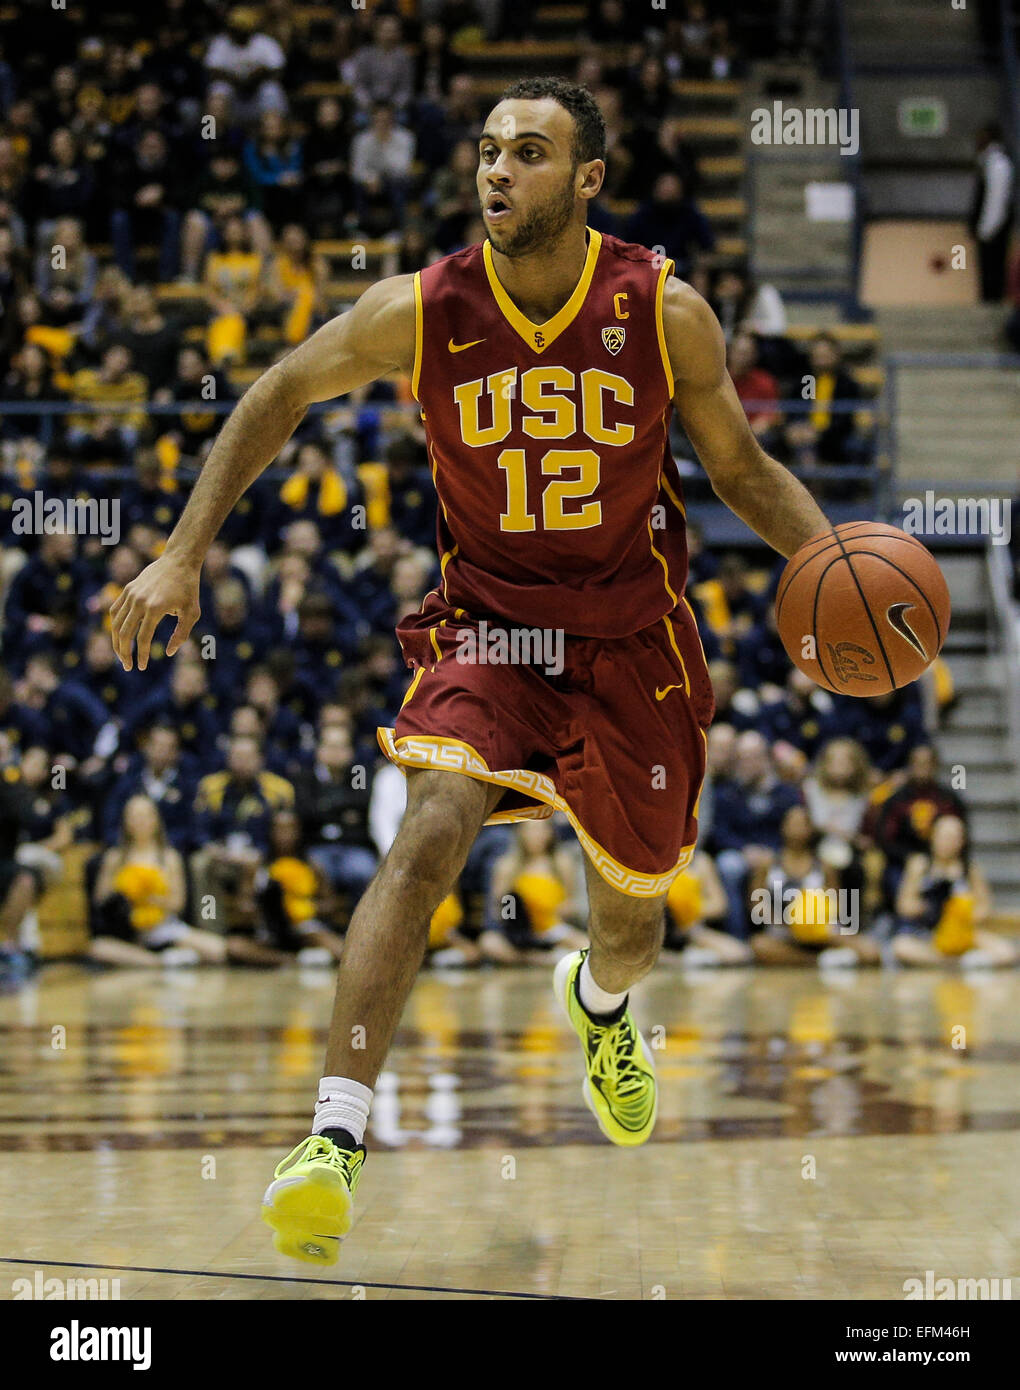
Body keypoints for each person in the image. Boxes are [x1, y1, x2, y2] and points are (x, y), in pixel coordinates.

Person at [111, 77, 833, 1266]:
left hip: (631, 642)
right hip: (490, 627)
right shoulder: (423, 305)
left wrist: (836, 563)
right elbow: (280, 388)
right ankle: (332, 1138)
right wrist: (182, 553)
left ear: (589, 179)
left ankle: (599, 1009)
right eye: (489, 150)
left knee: (632, 924)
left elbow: (743, 471)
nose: (499, 169)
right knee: (429, 826)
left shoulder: (664, 309)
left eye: (532, 152)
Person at [89, 794, 226, 967]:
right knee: (98, 948)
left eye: (145, 816)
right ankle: (160, 961)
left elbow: (178, 903)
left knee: (218, 949)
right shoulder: (114, 857)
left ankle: (161, 955)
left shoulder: (169, 857)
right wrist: (125, 897)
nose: (140, 821)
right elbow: (100, 899)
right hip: (127, 931)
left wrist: (147, 895)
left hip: (163, 928)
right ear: (125, 821)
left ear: (156, 819)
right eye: (134, 816)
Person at [892, 814, 1015, 969]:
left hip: (961, 931)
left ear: (962, 841)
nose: (948, 843)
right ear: (933, 837)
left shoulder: (968, 868)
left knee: (1007, 952)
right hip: (929, 932)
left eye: (954, 838)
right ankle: (954, 963)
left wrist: (963, 911)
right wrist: (929, 906)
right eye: (944, 837)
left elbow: (985, 905)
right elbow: (904, 905)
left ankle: (960, 960)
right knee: (901, 947)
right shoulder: (920, 864)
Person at [969, 123, 1015, 304]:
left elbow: (996, 200)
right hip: (990, 227)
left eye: (981, 137)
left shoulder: (998, 163)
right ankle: (989, 299)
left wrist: (986, 229)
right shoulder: (987, 161)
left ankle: (993, 302)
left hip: (994, 229)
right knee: (988, 272)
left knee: (993, 271)